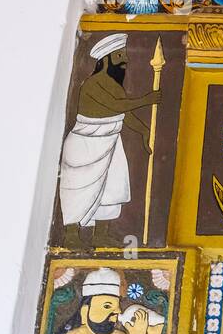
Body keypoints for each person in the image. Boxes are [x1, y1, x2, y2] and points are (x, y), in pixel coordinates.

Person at [58, 34, 159, 249]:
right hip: (86, 144)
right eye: (119, 56)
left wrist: (144, 133)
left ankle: (100, 235)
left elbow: (122, 115)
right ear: (106, 60)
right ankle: (72, 236)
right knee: (80, 191)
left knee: (112, 189)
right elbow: (115, 106)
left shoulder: (115, 86)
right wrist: (146, 99)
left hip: (111, 141)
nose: (125, 61)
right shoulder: (92, 84)